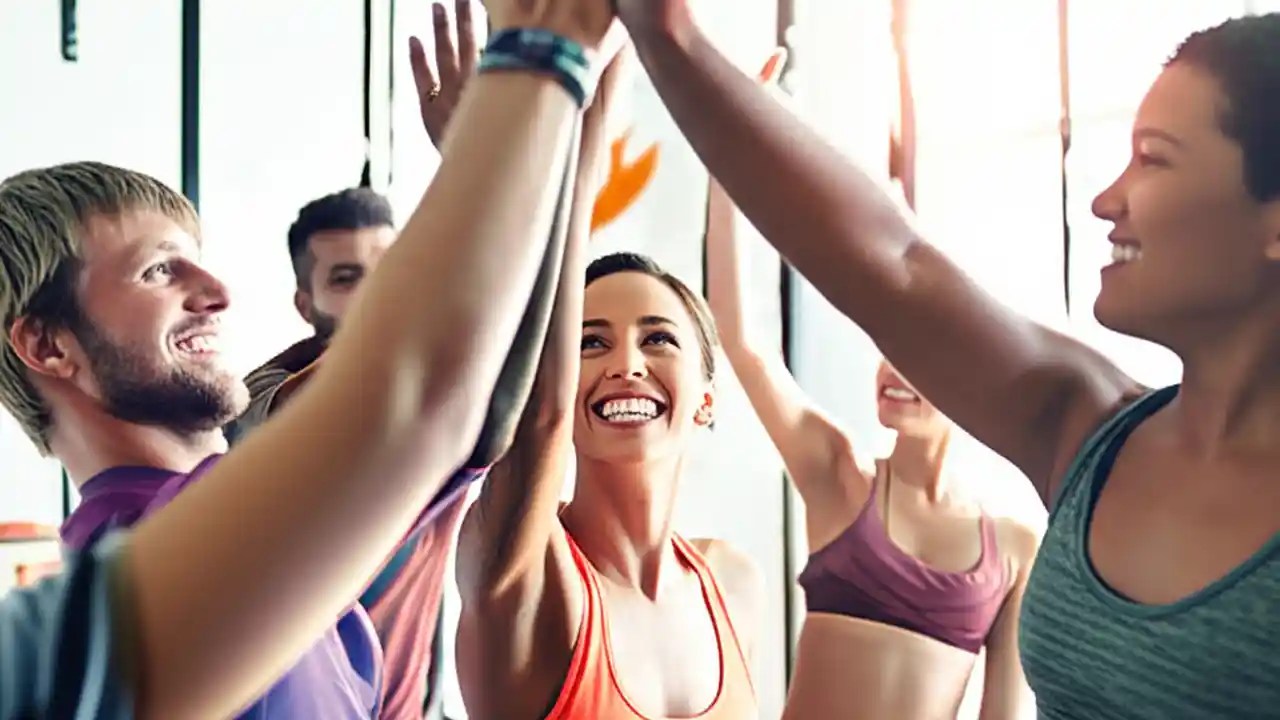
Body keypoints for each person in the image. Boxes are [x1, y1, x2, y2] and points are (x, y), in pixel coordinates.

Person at [617, 3, 1280, 717]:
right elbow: (895, 262)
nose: (1103, 199)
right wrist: (667, 35)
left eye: (1154, 157)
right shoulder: (1085, 426)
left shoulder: (1015, 531)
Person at [0, 0, 618, 715]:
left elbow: (494, 398)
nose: (217, 292)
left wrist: (565, 126)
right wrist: (541, 67)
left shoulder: (280, 556)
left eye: (196, 264)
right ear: (48, 345)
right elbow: (438, 399)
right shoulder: (132, 579)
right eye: (158, 272)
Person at [454, 48, 763, 718]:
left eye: (657, 337)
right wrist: (581, 160)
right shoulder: (526, 571)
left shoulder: (733, 584)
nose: (625, 363)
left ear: (706, 398)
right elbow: (538, 414)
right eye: (591, 342)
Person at [222, 9, 486, 719]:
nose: (378, 293)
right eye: (346, 278)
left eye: (388, 269)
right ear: (303, 303)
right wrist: (478, 158)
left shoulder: (433, 391)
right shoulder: (259, 406)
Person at [706, 175, 1039, 719]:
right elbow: (742, 340)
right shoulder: (841, 475)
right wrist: (727, 167)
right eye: (892, 344)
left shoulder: (1015, 548)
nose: (895, 367)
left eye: (926, 353)